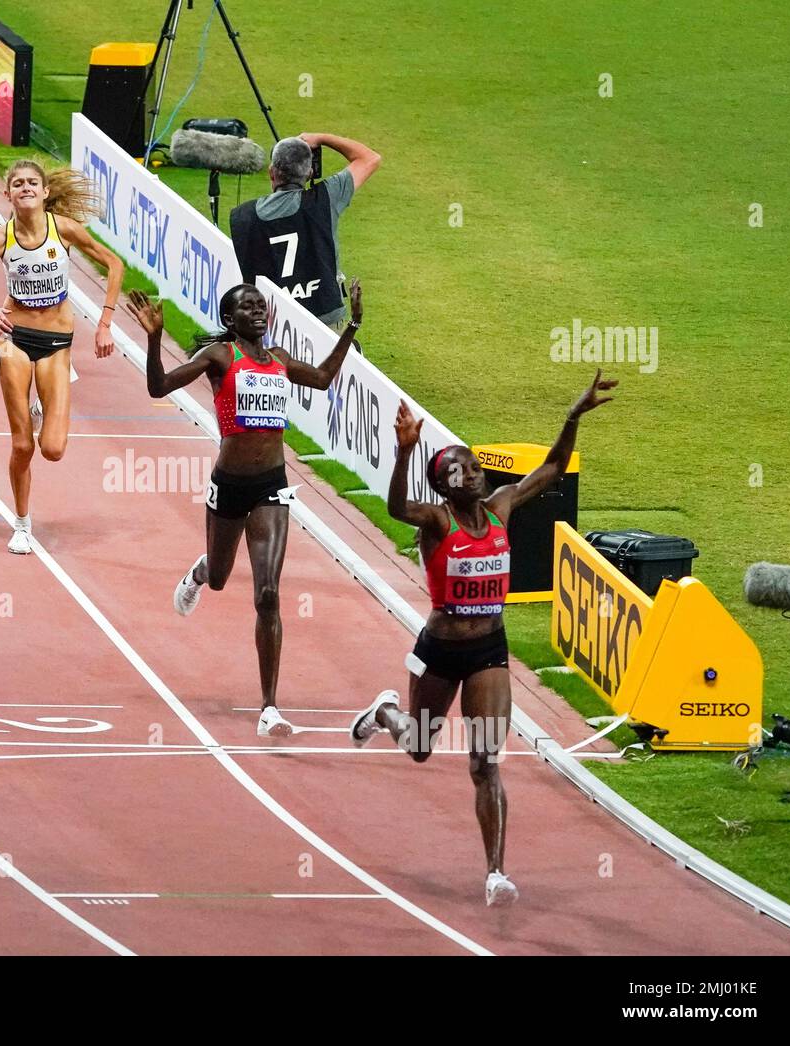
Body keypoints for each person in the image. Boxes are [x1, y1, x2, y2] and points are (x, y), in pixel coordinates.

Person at [349, 370, 618, 906]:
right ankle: (385, 713)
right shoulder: (434, 521)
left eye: (473, 465)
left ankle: (496, 872)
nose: (471, 472)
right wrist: (404, 453)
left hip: (490, 651)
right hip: (440, 650)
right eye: (457, 469)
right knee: (420, 749)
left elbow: (552, 468)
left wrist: (572, 417)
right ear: (443, 484)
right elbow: (395, 508)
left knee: (484, 761)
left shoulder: (500, 508)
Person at [127, 280, 363, 737]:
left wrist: (352, 324)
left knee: (268, 594)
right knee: (218, 578)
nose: (257, 311)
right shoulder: (220, 357)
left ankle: (269, 707)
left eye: (261, 305)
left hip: (271, 487)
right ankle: (200, 571)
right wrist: (155, 337)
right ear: (230, 319)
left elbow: (323, 378)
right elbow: (159, 388)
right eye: (247, 306)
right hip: (229, 485)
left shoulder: (279, 361)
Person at [0, 161, 124, 553]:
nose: (25, 188)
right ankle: (22, 524)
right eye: (17, 183)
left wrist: (105, 323)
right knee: (23, 446)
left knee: (54, 450)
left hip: (58, 342)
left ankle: (42, 410)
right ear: (7, 193)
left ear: (45, 192)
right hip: (15, 338)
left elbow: (114, 263)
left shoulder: (63, 229)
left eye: (32, 183)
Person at [229, 132, 379, 332]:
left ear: (271, 173)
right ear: (309, 173)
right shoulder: (325, 199)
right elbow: (369, 158)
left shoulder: (242, 215)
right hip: (324, 318)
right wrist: (322, 138)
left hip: (272, 324)